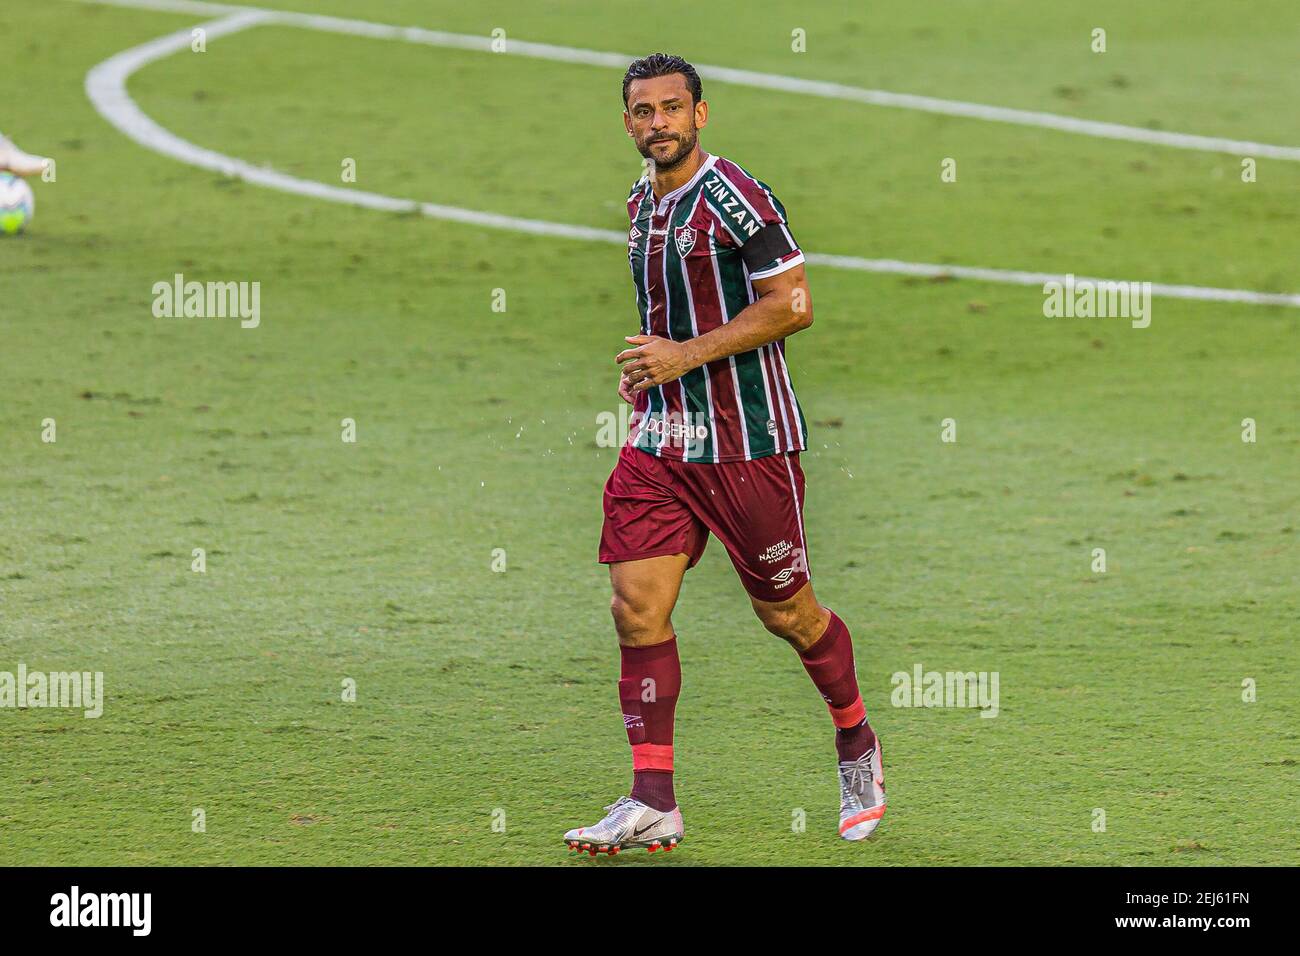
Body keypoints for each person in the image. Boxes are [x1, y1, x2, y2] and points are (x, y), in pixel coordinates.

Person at [563, 54, 885, 856]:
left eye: (673, 108)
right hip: (663, 441)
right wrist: (652, 379)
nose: (658, 123)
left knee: (787, 614)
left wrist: (683, 357)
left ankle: (855, 743)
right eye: (644, 111)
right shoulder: (642, 201)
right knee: (635, 608)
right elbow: (667, 314)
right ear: (628, 121)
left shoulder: (736, 196)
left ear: (700, 114)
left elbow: (793, 305)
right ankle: (653, 802)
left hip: (748, 443)